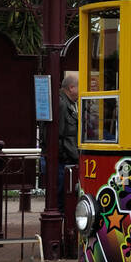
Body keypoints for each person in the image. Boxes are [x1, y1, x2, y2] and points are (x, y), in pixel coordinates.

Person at [58, 71, 79, 212]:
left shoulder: (70, 104)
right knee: (61, 198)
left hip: (66, 160)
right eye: (79, 87)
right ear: (71, 88)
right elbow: (58, 135)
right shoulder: (62, 104)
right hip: (63, 162)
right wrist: (64, 156)